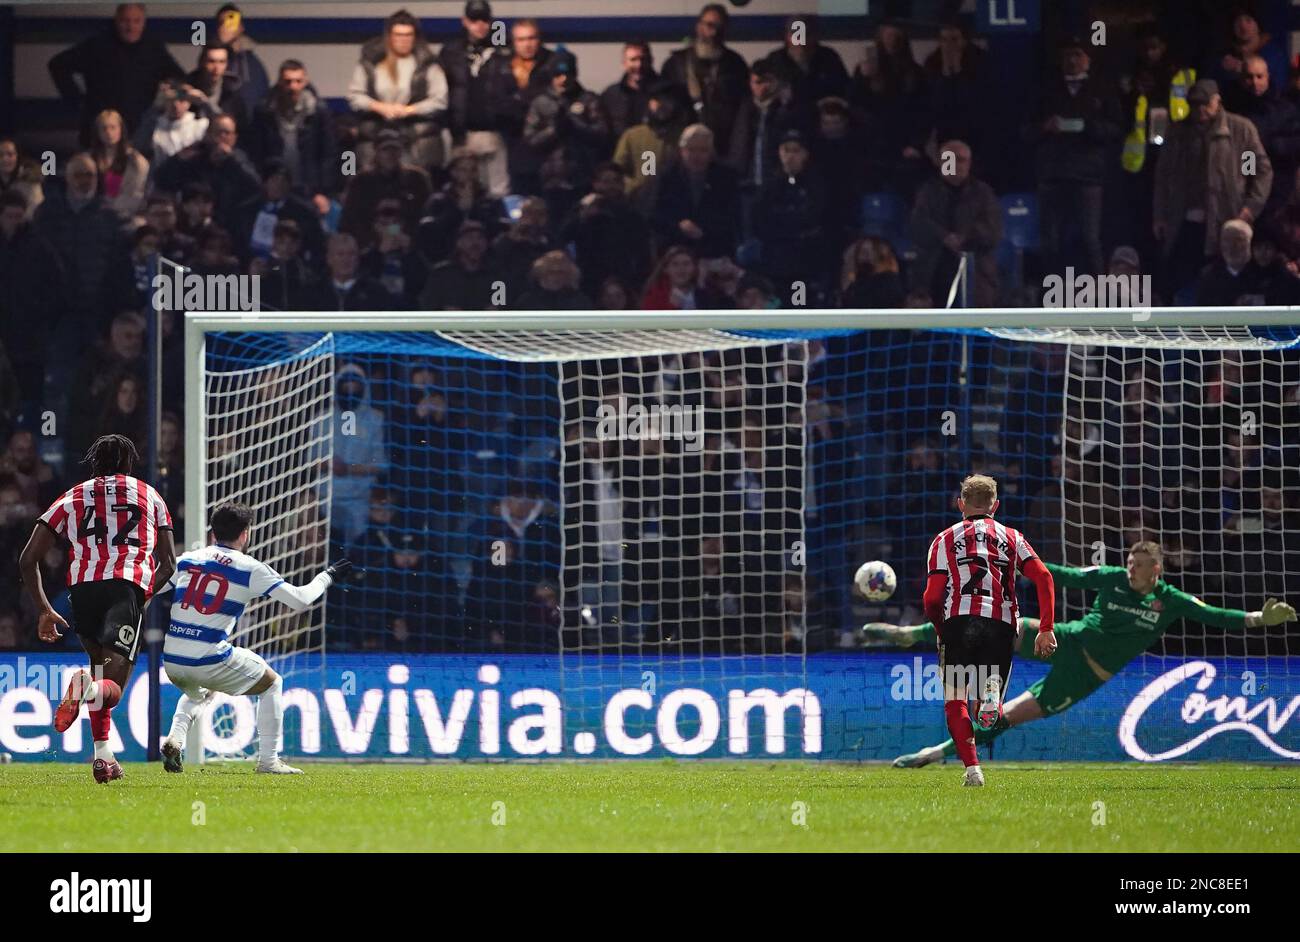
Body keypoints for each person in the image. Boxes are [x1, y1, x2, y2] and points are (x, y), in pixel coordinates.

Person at [885, 542, 1296, 768]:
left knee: (1003, 717)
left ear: (1156, 570)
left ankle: (932, 754)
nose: (1130, 570)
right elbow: (1064, 575)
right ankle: (912, 633)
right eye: (1130, 564)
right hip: (1068, 640)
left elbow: (1215, 616)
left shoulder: (1170, 601)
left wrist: (1260, 618)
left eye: (1139, 566)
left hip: (1084, 676)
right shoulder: (1113, 579)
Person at [19, 434, 177, 783]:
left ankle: (103, 757)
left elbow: (28, 559)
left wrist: (44, 608)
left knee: (99, 671)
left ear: (95, 463)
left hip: (83, 591)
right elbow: (169, 563)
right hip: (124, 587)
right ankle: (84, 688)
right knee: (111, 688)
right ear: (129, 463)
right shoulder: (150, 495)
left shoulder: (71, 496)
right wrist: (143, 596)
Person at [160, 501, 352, 774]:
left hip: (172, 661)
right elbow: (299, 600)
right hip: (208, 657)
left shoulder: (188, 559)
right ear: (245, 534)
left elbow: (150, 589)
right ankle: (269, 761)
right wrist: (327, 576)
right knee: (272, 684)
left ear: (212, 533)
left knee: (198, 692)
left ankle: (175, 741)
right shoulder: (251, 568)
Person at [921, 474, 1056, 787]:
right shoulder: (1012, 536)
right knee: (989, 712)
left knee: (956, 699)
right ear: (996, 505)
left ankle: (972, 771)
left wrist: (941, 628)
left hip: (958, 622)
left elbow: (931, 598)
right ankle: (990, 693)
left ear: (960, 504)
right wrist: (1046, 628)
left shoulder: (943, 539)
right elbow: (1045, 577)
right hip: (1001, 623)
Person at [1154, 78, 1273, 299]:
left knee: (1220, 283)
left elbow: (1256, 171)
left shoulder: (1240, 132)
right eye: (1194, 104)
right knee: (1181, 281)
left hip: (1225, 218)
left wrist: (1249, 208)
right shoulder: (1178, 134)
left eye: (1204, 103)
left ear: (1217, 101)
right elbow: (1164, 176)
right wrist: (1159, 214)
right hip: (1184, 220)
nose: (1199, 109)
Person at [48, 3, 184, 146]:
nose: (130, 27)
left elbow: (179, 77)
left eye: (136, 21)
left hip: (137, 130)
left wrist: (168, 101)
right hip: (100, 129)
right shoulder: (98, 45)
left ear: (143, 23)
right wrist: (76, 101)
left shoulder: (153, 48)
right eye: (125, 21)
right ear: (116, 21)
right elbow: (58, 65)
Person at [348, 9, 449, 172]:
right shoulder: (370, 63)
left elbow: (439, 100)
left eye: (408, 35)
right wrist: (380, 107)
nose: (403, 40)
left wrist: (409, 110)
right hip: (377, 135)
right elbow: (355, 96)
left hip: (416, 140)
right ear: (389, 36)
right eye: (398, 35)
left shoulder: (428, 64)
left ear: (415, 37)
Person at [909, 139, 1003, 307]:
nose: (954, 164)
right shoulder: (928, 191)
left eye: (960, 160)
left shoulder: (983, 193)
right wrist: (944, 237)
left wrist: (964, 238)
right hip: (935, 265)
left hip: (975, 265)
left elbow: (992, 232)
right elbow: (918, 224)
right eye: (948, 159)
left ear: (969, 163)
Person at [439, 0, 514, 198]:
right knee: (461, 191)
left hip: (495, 132)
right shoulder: (451, 51)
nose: (480, 24)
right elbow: (441, 92)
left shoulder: (502, 50)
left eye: (484, 20)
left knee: (498, 192)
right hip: (460, 132)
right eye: (474, 19)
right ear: (465, 21)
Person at [246, 60, 341, 210]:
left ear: (305, 82)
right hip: (273, 185)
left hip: (309, 186)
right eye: (288, 81)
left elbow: (328, 155)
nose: (293, 87)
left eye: (298, 81)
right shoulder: (264, 112)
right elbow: (256, 152)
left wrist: (322, 192)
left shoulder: (318, 112)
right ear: (280, 83)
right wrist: (263, 184)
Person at [660, 4, 750, 156]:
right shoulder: (675, 64)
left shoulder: (735, 65)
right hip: (682, 150)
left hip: (723, 148)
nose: (713, 33)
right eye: (709, 25)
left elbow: (743, 112)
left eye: (719, 28)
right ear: (698, 26)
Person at [89, 110, 150, 220]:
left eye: (113, 127)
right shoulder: (89, 159)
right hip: (95, 215)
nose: (108, 132)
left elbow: (136, 195)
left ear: (121, 130)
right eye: (104, 128)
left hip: (125, 215)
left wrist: (113, 207)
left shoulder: (135, 161)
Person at [600, 41, 657, 141]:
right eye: (633, 60)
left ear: (651, 61)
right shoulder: (611, 95)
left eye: (643, 59)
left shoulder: (667, 93)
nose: (639, 65)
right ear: (624, 63)